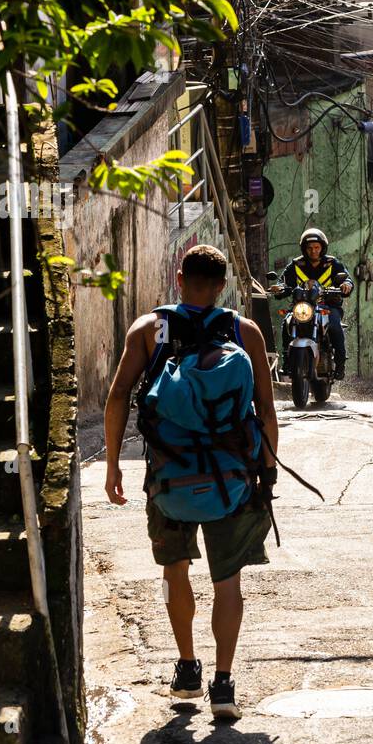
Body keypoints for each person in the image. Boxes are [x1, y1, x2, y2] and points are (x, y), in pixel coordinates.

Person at [103, 244, 279, 720]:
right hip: (233, 478)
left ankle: (186, 668)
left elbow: (119, 397)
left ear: (178, 278)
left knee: (174, 571)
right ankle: (223, 685)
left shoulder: (148, 330)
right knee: (228, 582)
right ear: (223, 285)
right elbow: (265, 410)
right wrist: (267, 470)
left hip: (167, 475)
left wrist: (113, 465)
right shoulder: (244, 332)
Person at [283, 228, 353, 379]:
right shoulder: (296, 265)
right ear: (304, 249)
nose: (313, 251)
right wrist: (279, 287)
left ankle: (340, 365)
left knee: (334, 326)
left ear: (322, 248)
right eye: (309, 248)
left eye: (316, 247)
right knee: (287, 322)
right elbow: (283, 282)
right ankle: (286, 361)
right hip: (303, 307)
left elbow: (347, 278)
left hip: (328, 306)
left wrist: (346, 284)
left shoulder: (332, 263)